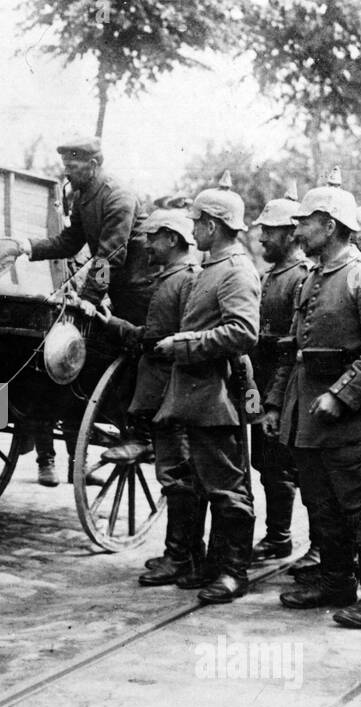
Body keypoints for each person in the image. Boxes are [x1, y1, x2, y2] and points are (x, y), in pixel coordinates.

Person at [262, 171, 361, 627]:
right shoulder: (312, 278)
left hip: (351, 418)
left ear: (329, 225)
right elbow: (295, 349)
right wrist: (275, 403)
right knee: (320, 503)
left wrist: (341, 397)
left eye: (305, 222)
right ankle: (336, 581)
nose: (297, 231)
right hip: (307, 415)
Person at [10, 135, 148, 486]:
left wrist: (88, 298)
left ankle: (137, 425)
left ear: (94, 165)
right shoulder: (82, 194)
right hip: (112, 282)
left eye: (73, 165)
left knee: (131, 348)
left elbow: (111, 255)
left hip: (139, 288)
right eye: (66, 165)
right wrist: (26, 246)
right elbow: (70, 241)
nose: (67, 172)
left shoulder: (118, 196)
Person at [152, 172, 260, 603]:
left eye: (195, 222)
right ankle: (210, 565)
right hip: (196, 397)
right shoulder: (211, 267)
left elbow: (243, 332)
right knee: (202, 482)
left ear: (212, 227)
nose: (191, 229)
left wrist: (183, 344)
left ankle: (234, 572)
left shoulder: (235, 270)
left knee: (228, 487)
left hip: (217, 398)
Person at [91, 209, 207, 586]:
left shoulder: (188, 280)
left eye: (153, 237)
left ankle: (184, 557)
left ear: (173, 239)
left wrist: (121, 328)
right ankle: (180, 553)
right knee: (174, 475)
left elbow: (171, 339)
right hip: (161, 392)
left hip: (174, 393)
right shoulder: (171, 277)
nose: (145, 243)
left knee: (179, 475)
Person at [249, 184, 314, 565]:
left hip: (289, 385)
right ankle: (279, 537)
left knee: (293, 467)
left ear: (292, 234)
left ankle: (303, 540)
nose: (261, 237)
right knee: (268, 464)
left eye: (270, 231)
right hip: (265, 381)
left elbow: (293, 342)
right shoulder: (270, 276)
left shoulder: (300, 277)